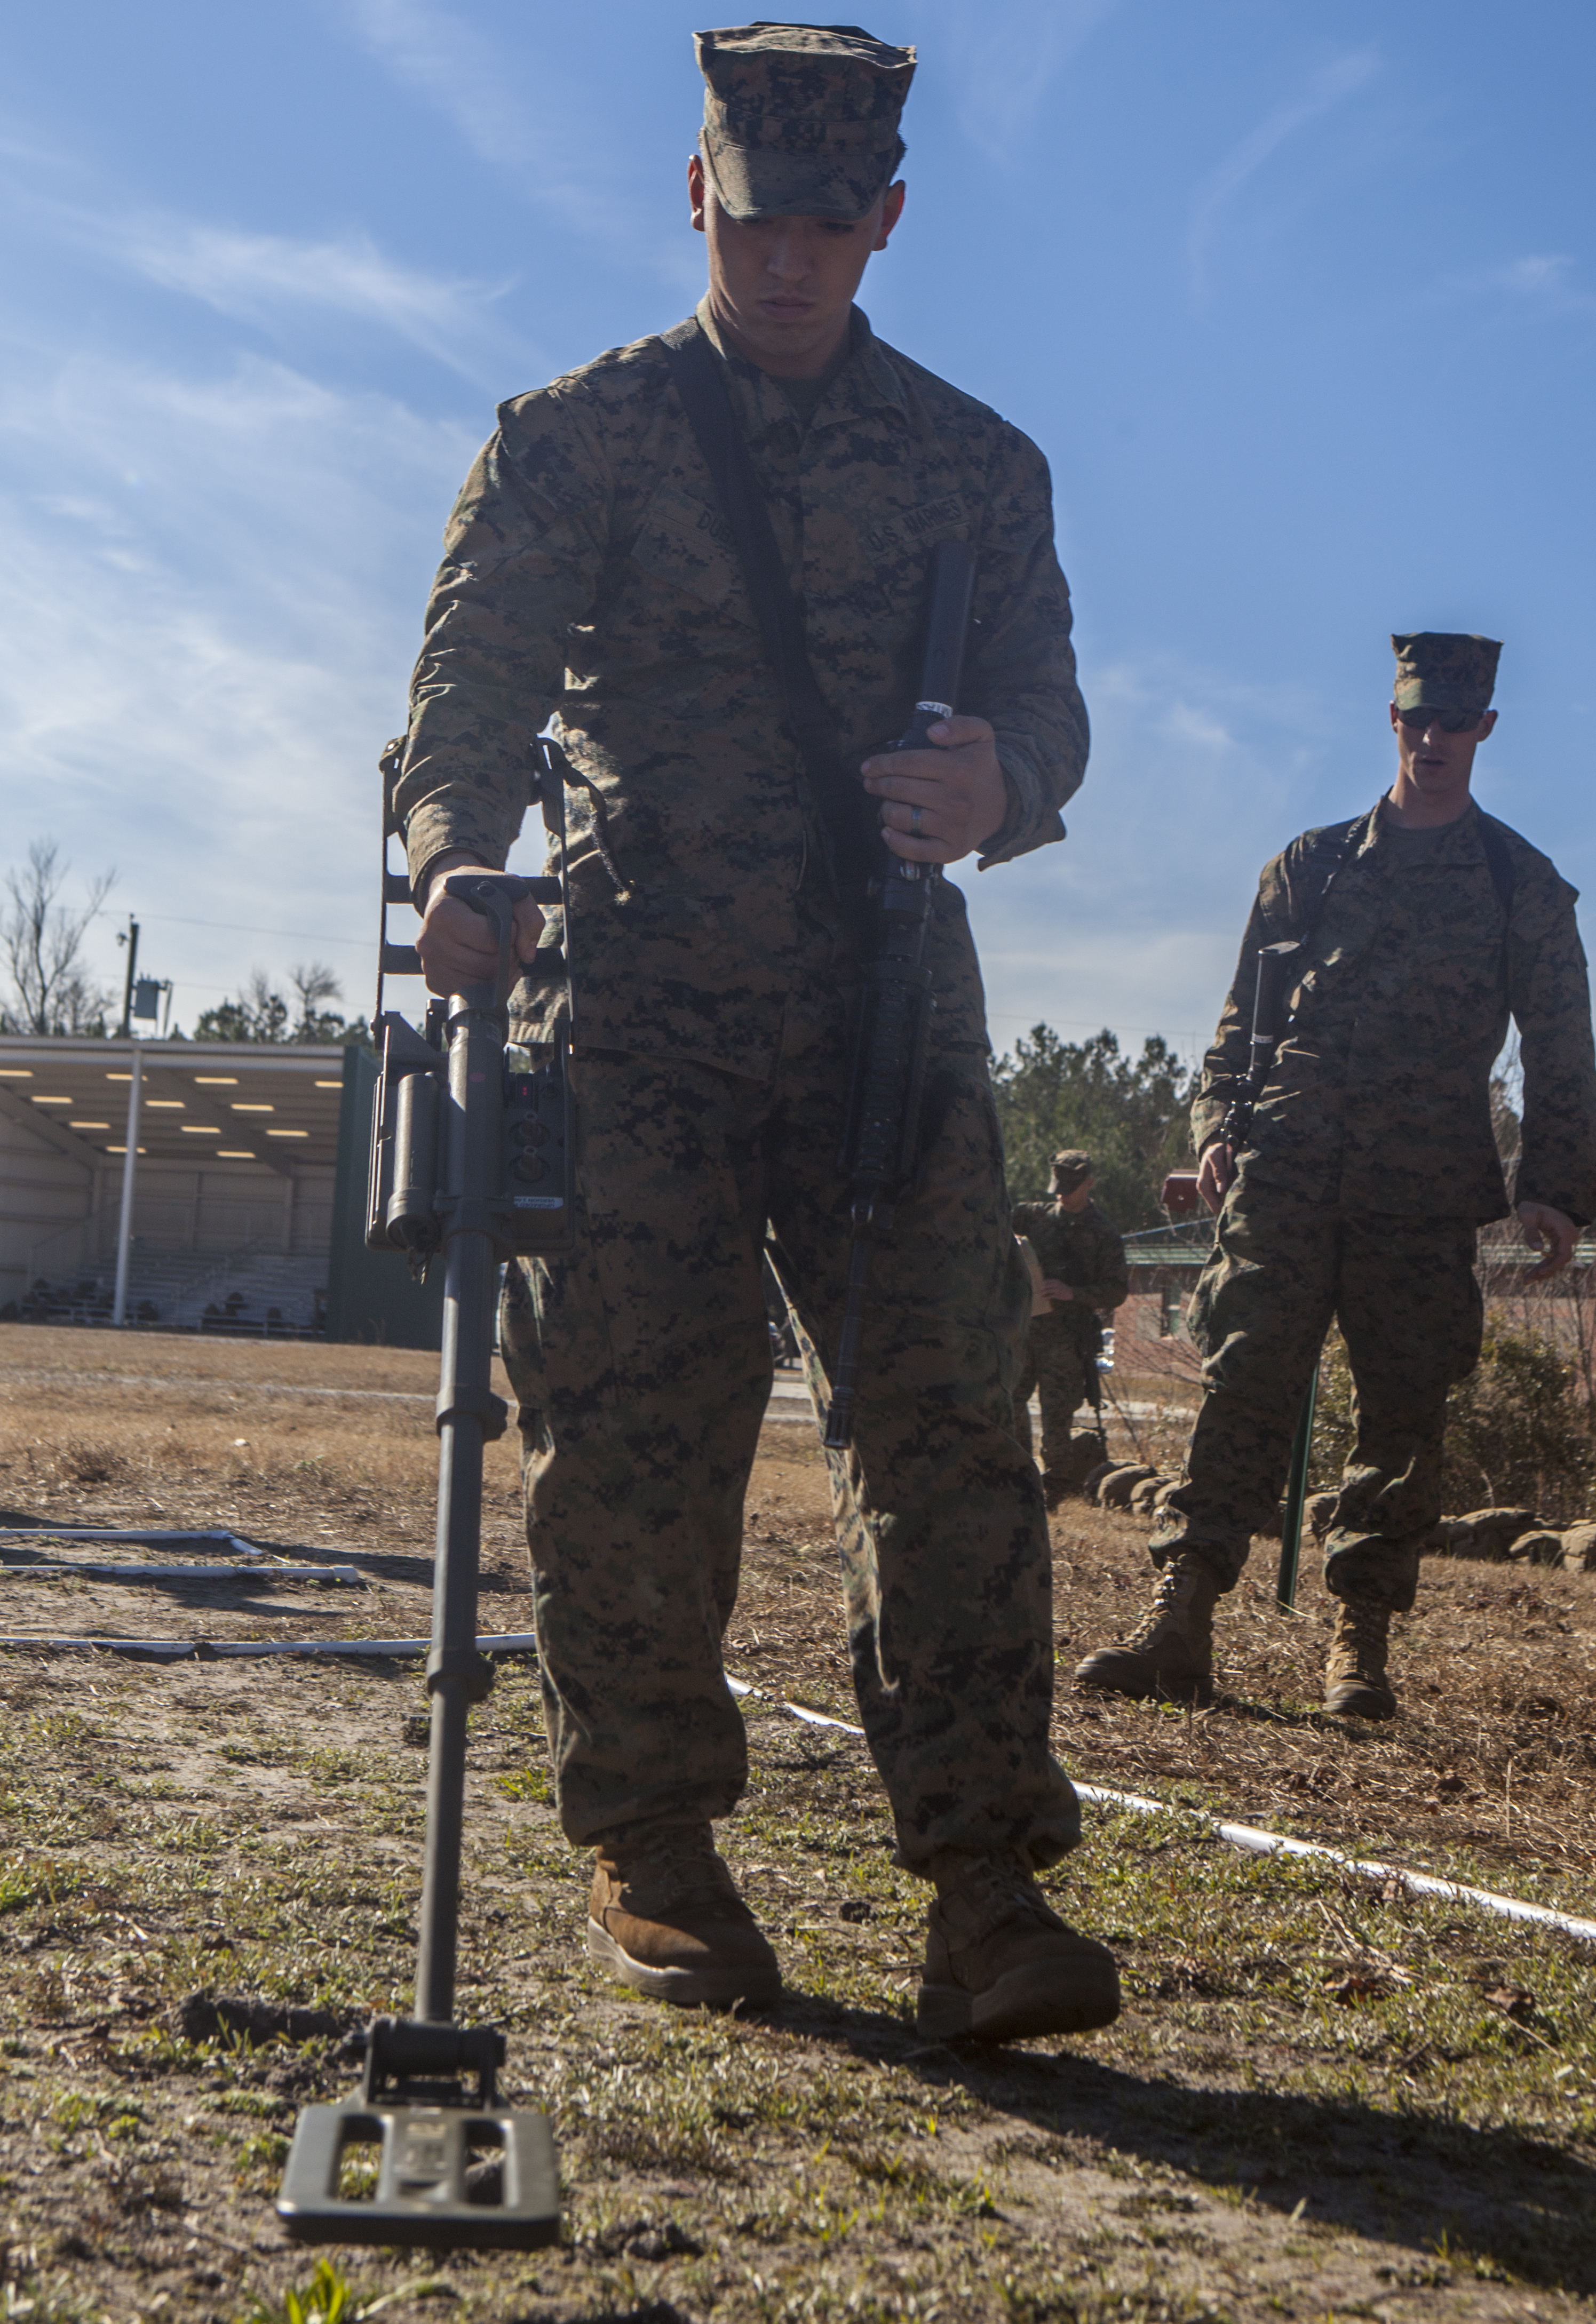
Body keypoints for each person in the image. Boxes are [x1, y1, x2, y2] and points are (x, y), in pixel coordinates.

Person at [393, 23, 1117, 2042]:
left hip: (887, 1017)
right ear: (687, 193)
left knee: (952, 1436)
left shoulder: (979, 464)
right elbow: (468, 691)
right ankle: (655, 1846)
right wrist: (457, 852)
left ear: (883, 217)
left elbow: (1049, 714)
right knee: (638, 1431)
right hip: (635, 1019)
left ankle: (982, 1888)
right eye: (749, 211)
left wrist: (1002, 785)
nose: (783, 254)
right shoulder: (580, 436)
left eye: (824, 219)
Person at [1077, 632, 1596, 1719]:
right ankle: (1180, 1616)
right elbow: (1235, 1029)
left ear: (1484, 730)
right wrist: (1217, 1126)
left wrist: (1552, 1186)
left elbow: (1561, 1050)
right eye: (1417, 718)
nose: (1434, 738)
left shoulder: (1521, 885)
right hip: (1289, 1169)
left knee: (1402, 1418)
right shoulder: (1307, 867)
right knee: (1241, 1388)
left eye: (1455, 722)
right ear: (1391, 720)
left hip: (1420, 1191)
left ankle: (1356, 1647)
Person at [1011, 1152, 1128, 1501]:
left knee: (1056, 1421)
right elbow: (989, 1223)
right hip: (1024, 1332)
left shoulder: (1104, 1233)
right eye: (1058, 1187)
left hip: (1066, 1341)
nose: (1061, 1195)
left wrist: (1072, 1293)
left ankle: (1054, 1491)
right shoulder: (1033, 1217)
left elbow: (1116, 1292)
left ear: (1089, 1183)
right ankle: (1017, 1477)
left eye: (1070, 1188)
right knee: (1009, 1403)